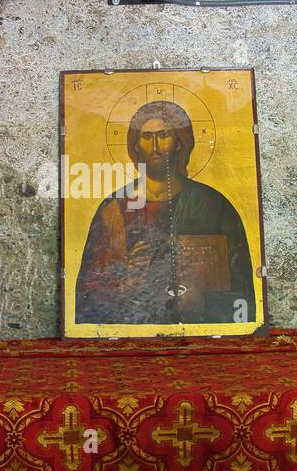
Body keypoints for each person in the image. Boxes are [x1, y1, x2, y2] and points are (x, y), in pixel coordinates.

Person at [74, 100, 255, 325]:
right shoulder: (114, 210)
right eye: (147, 137)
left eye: (164, 135)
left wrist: (203, 301)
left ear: (180, 143)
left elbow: (244, 293)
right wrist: (125, 285)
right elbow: (87, 298)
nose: (156, 146)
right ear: (136, 145)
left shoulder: (213, 205)